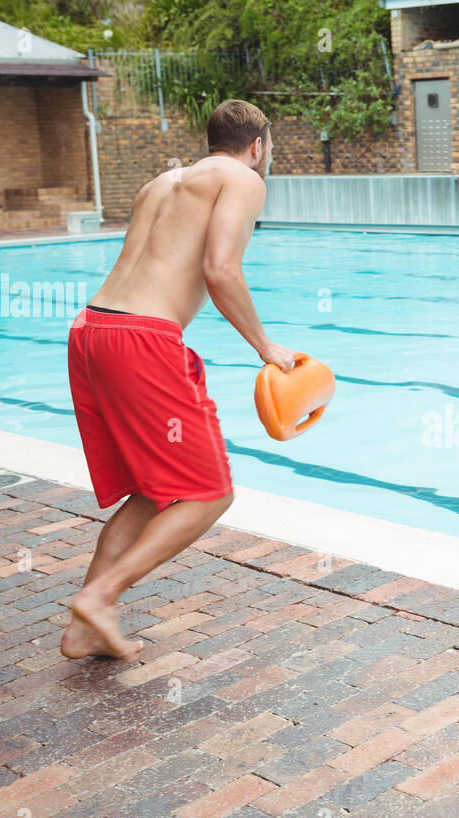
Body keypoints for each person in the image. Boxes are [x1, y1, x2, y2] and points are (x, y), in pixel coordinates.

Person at [61, 99, 295, 662]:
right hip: (142, 340)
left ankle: (87, 628)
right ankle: (100, 597)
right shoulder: (242, 177)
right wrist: (266, 347)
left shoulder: (161, 182)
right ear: (257, 146)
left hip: (91, 330)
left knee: (151, 488)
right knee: (209, 492)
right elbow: (220, 269)